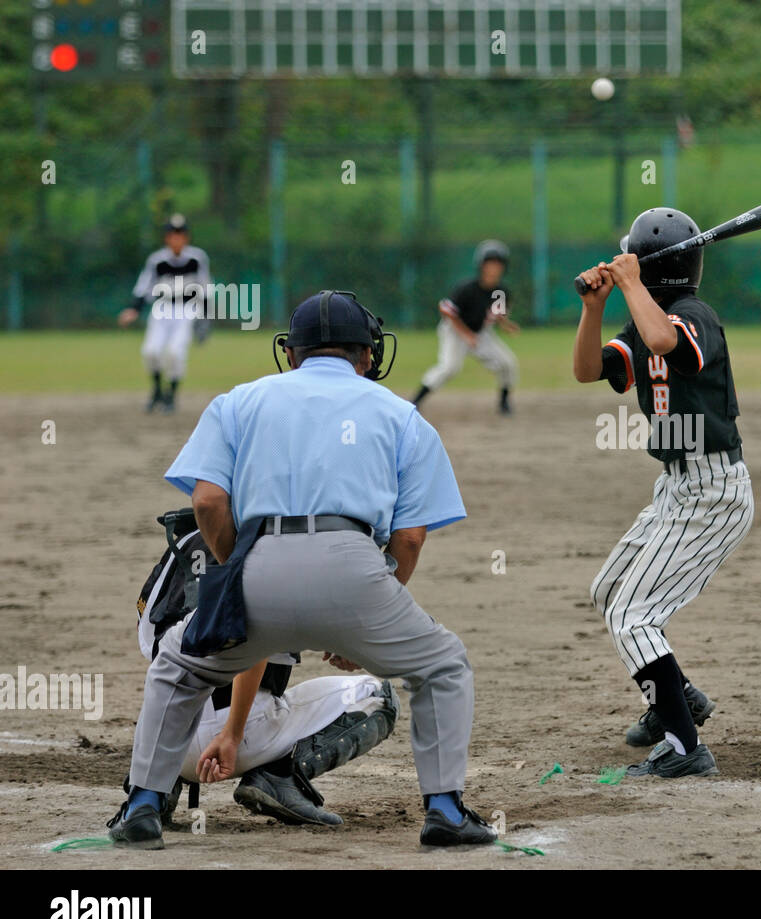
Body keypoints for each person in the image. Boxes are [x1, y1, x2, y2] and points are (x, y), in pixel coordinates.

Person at [107, 290, 494, 850]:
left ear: (291, 353)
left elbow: (209, 503)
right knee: (443, 666)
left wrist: (234, 575)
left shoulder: (239, 401)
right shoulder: (400, 414)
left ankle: (142, 806)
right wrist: (365, 621)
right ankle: (445, 812)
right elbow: (409, 537)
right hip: (355, 565)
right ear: (368, 355)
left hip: (258, 561)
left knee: (180, 669)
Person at [574, 208, 754, 778]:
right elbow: (587, 370)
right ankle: (676, 697)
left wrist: (628, 283)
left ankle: (685, 746)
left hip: (712, 491)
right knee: (608, 592)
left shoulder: (693, 315)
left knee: (632, 616)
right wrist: (594, 306)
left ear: (649, 268)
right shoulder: (643, 316)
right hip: (677, 486)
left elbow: (663, 338)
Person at [106, 509, 398, 831]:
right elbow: (258, 640)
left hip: (162, 739)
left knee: (179, 671)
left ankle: (154, 790)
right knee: (378, 697)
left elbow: (149, 639)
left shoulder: (185, 541)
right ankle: (276, 777)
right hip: (234, 740)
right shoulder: (279, 548)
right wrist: (232, 733)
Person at [412, 240, 520, 416]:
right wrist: (466, 334)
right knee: (449, 368)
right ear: (481, 265)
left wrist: (506, 324)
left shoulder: (501, 291)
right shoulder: (467, 289)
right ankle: (415, 401)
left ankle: (504, 402)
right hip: (454, 331)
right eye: (489, 263)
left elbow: (497, 313)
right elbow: (446, 310)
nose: (494, 268)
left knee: (508, 363)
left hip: (480, 333)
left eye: (498, 264)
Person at [117, 213, 212, 414]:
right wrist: (134, 308)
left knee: (176, 353)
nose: (176, 238)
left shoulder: (197, 258)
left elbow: (205, 287)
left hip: (187, 310)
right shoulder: (157, 260)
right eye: (172, 234)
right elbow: (144, 286)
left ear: (186, 237)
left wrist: (205, 317)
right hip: (162, 309)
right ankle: (157, 391)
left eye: (180, 234)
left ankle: (171, 396)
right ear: (166, 238)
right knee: (151, 351)